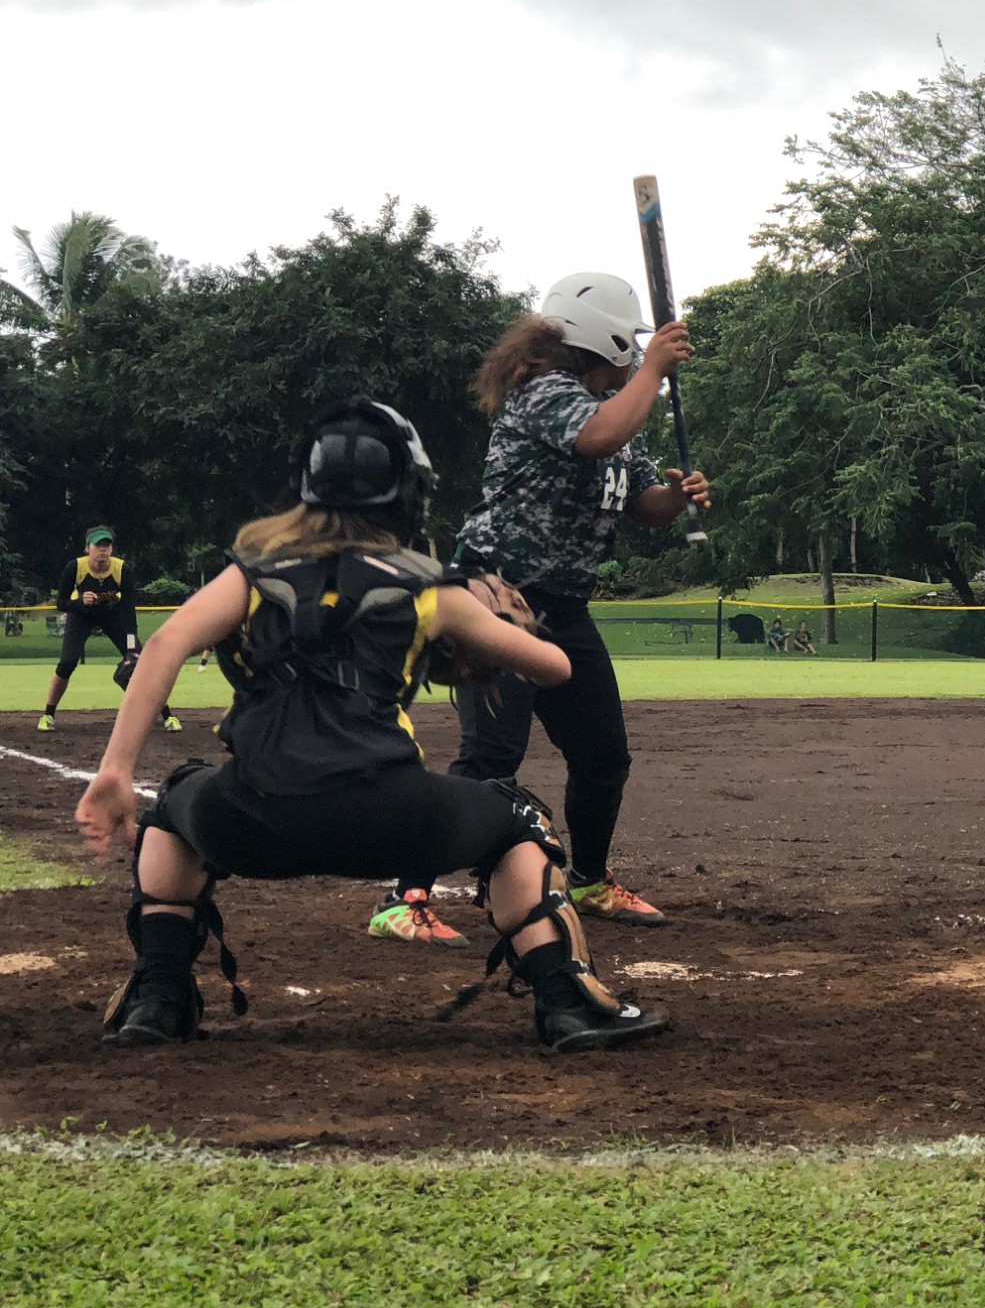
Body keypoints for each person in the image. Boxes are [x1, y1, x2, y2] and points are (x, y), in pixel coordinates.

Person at [74, 400, 665, 1052]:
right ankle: (568, 1003)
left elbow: (163, 647)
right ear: (406, 495)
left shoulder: (251, 572)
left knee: (176, 807)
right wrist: (497, 616)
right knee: (518, 820)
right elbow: (552, 668)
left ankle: (157, 1001)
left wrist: (116, 770)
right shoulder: (429, 587)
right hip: (391, 819)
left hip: (252, 817)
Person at [371, 274, 711, 946]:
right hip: (496, 599)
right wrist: (651, 371)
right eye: (631, 343)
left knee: (603, 755)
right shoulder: (547, 395)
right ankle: (401, 895)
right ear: (605, 340)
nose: (636, 352)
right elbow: (595, 438)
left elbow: (642, 502)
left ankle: (588, 879)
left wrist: (677, 499)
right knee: (489, 759)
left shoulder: (615, 405)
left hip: (563, 607)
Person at [40, 529, 181, 734]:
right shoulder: (75, 567)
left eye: (107, 545)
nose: (103, 549)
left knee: (141, 664)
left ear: (112, 548)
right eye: (98, 545)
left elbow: (128, 608)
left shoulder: (122, 569)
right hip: (81, 616)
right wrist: (79, 602)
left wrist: (132, 646)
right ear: (88, 548)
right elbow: (61, 603)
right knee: (67, 663)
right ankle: (48, 714)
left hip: (112, 616)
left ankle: (168, 716)